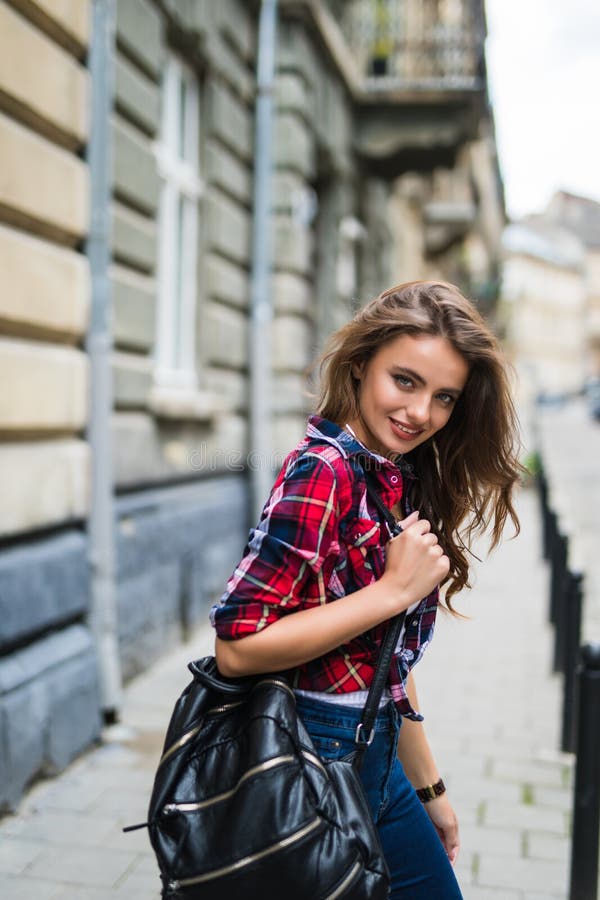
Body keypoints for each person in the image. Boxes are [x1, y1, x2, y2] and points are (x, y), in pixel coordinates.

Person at [211, 280, 522, 899]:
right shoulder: (324, 471)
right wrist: (389, 591)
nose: (421, 413)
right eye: (404, 381)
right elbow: (237, 645)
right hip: (316, 755)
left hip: (370, 749)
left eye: (444, 397)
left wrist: (430, 788)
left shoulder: (384, 474)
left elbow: (383, 659)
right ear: (359, 367)